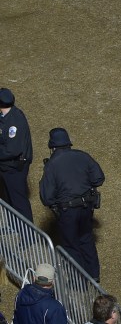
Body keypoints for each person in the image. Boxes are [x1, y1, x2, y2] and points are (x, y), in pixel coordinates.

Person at [39, 128, 105, 280]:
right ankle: (94, 276)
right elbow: (99, 179)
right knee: (86, 239)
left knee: (71, 244)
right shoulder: (83, 156)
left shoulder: (52, 165)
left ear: (52, 147)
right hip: (86, 207)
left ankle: (79, 280)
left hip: (67, 211)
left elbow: (46, 197)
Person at [0, 88, 33, 221]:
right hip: (6, 166)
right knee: (8, 198)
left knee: (19, 200)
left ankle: (28, 235)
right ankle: (14, 225)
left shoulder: (15, 121)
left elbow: (12, 150)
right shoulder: (5, 116)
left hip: (14, 168)